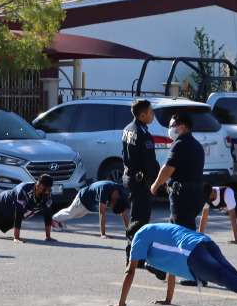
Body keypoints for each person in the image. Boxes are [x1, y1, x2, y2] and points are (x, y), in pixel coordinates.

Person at [150, 112, 205, 229]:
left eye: (172, 125)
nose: (170, 129)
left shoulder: (179, 144)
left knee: (182, 231)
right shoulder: (197, 145)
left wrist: (155, 185)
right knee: (177, 228)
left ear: (183, 126)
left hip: (182, 196)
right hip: (196, 194)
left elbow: (167, 169)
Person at [0, 177, 56, 242]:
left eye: (49, 189)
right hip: (4, 202)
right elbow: (18, 214)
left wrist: (48, 237)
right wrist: (16, 238)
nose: (47, 191)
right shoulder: (24, 190)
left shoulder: (47, 195)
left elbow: (48, 215)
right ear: (37, 185)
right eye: (44, 188)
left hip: (15, 211)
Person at [121, 99, 159, 228]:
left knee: (136, 213)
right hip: (141, 181)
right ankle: (134, 239)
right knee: (141, 217)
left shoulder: (127, 128)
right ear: (142, 115)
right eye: (151, 112)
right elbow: (149, 161)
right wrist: (156, 180)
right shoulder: (143, 134)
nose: (153, 114)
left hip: (130, 177)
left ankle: (132, 237)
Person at [51, 180, 130, 237]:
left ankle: (59, 220)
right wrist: (103, 234)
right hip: (83, 198)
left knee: (78, 215)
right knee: (71, 213)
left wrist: (129, 232)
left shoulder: (121, 193)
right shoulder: (105, 190)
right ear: (114, 202)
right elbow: (102, 213)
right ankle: (54, 220)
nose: (110, 206)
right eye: (112, 205)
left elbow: (124, 214)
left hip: (90, 204)